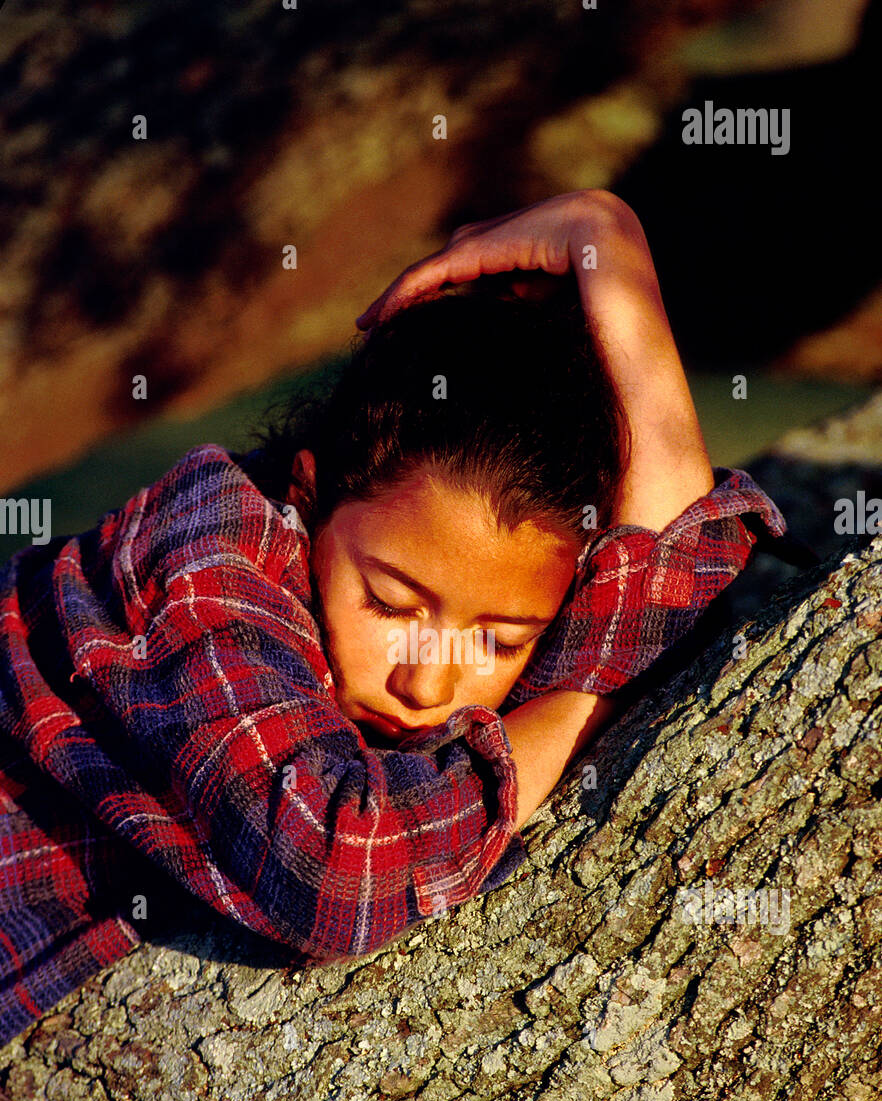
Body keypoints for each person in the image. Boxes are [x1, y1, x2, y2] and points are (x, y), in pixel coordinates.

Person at [0, 190, 785, 1049]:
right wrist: (579, 706)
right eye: (389, 603)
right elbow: (333, 867)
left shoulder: (403, 571)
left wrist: (614, 251)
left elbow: (665, 584)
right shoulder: (204, 562)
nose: (428, 678)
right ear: (312, 489)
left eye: (499, 639)